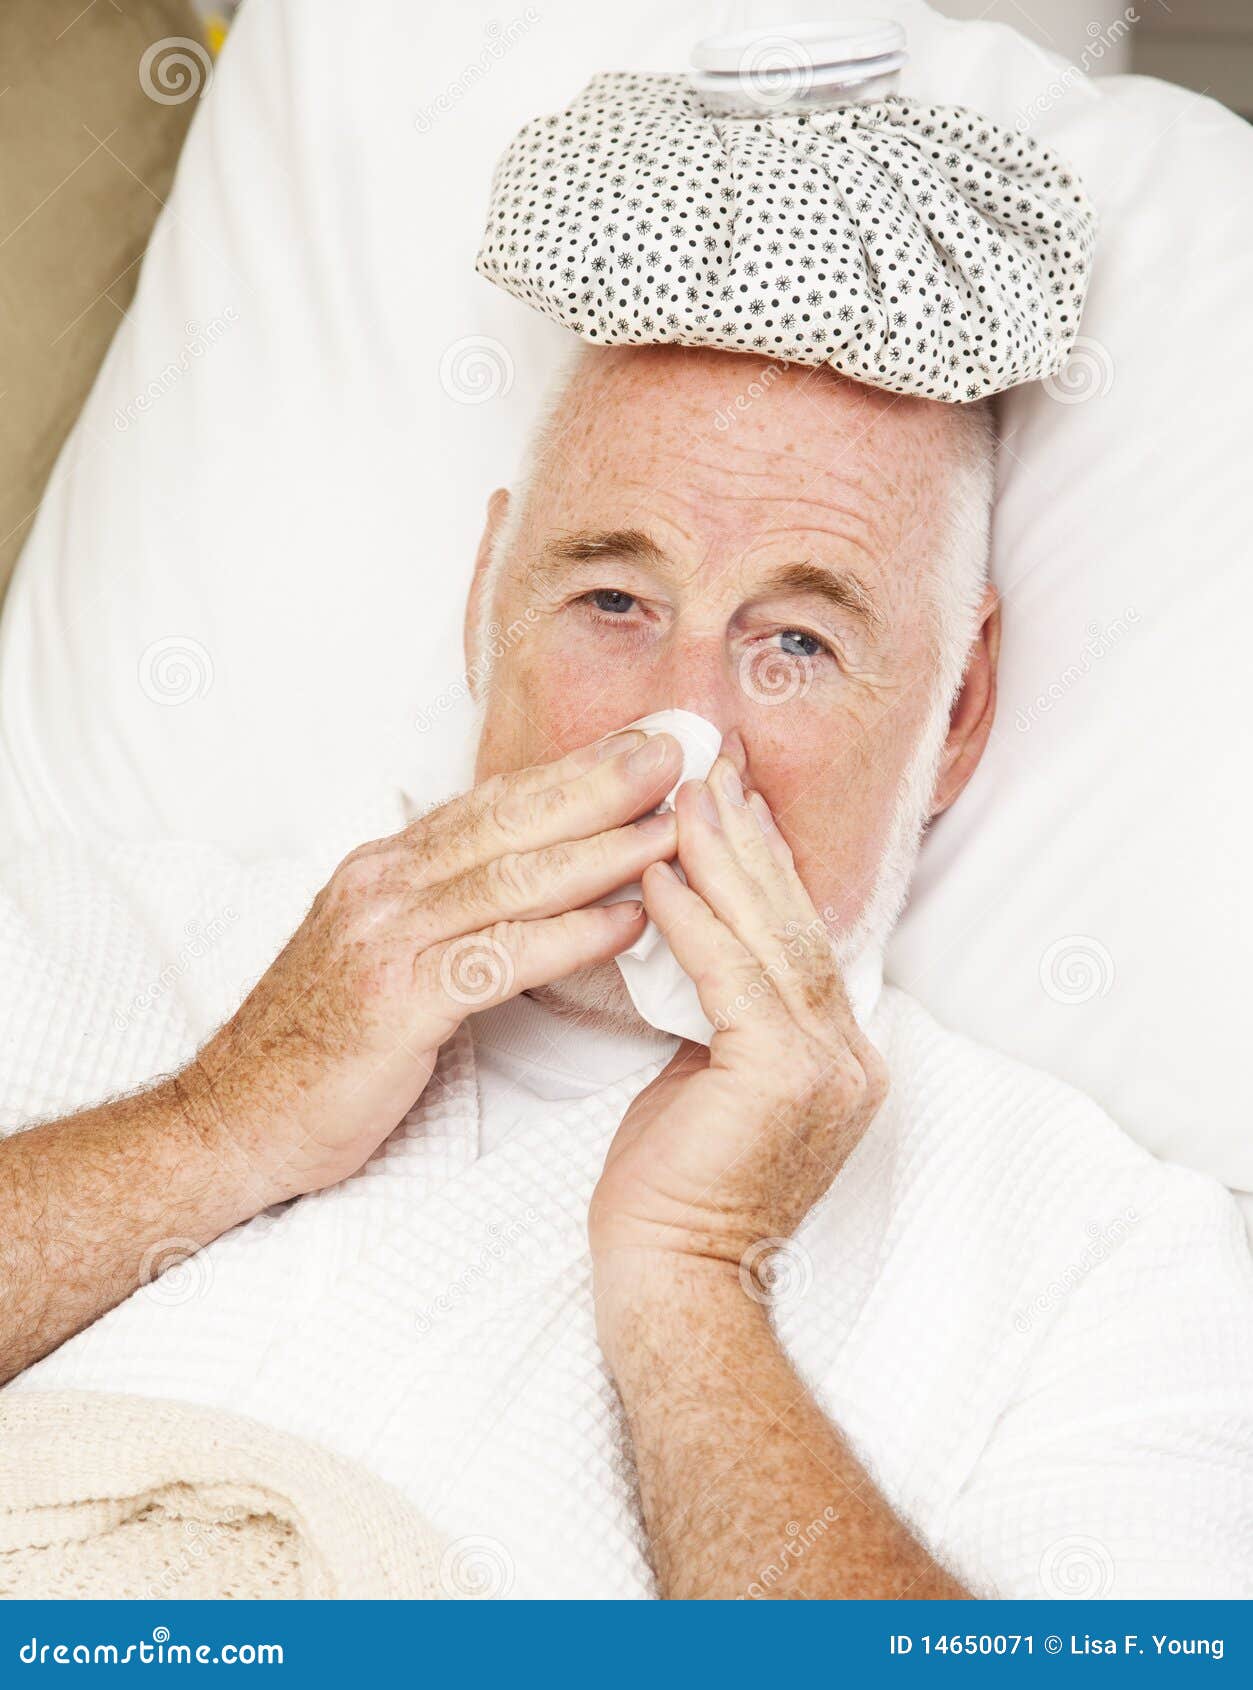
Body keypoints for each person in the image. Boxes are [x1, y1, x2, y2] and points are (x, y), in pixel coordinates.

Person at [2, 346, 1251, 1600]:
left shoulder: (1105, 1267)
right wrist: (214, 1123)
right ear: (488, 595)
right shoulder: (79, 919)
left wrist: (694, 1286)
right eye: (613, 601)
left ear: (959, 706)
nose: (674, 733)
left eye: (799, 643)